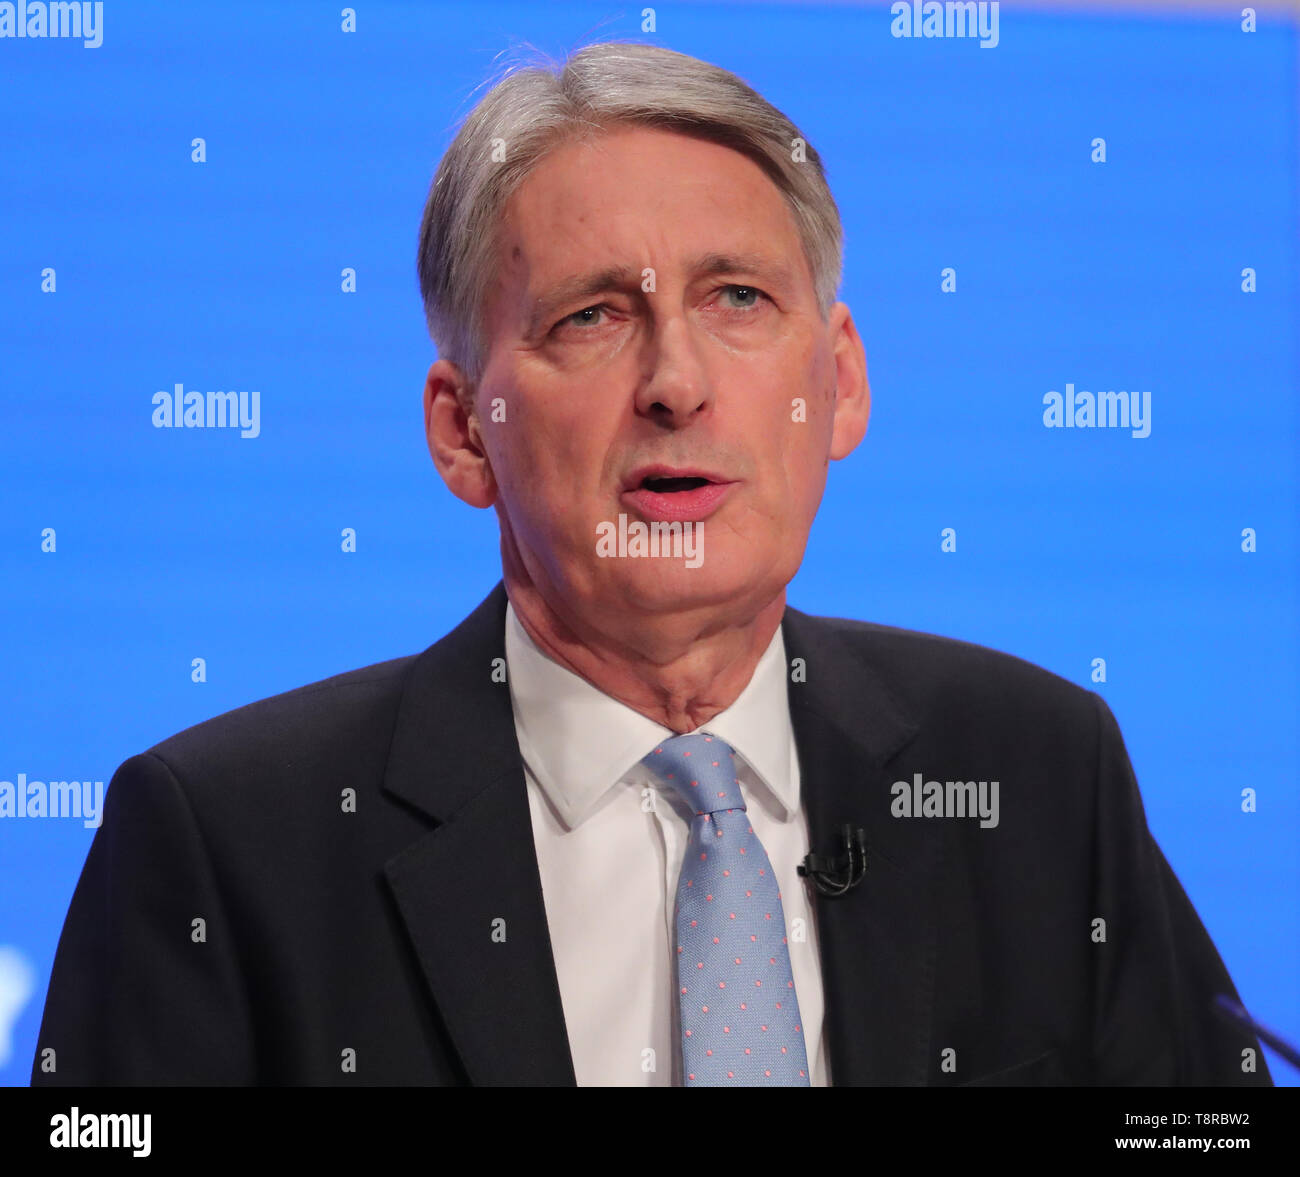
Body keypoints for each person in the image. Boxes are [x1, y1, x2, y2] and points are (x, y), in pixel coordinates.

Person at [31, 40, 1270, 1087]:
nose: (677, 383)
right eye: (592, 316)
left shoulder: (1034, 771)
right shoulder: (228, 842)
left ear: (837, 383)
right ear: (465, 430)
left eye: (735, 298)